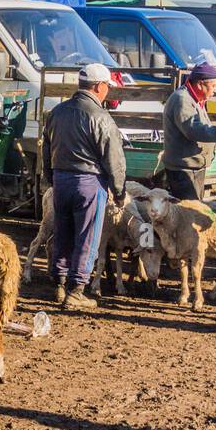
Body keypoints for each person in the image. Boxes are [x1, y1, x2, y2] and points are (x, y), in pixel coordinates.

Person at [40, 63, 126, 310]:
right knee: (86, 237)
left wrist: (51, 177)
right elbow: (114, 160)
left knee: (62, 233)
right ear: (99, 86)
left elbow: (46, 148)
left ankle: (58, 284)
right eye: (107, 86)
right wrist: (119, 192)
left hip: (61, 180)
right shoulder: (101, 118)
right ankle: (76, 291)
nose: (108, 90)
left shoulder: (56, 112)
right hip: (88, 183)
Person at [160, 62, 216, 201]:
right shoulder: (182, 100)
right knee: (189, 214)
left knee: (193, 211)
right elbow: (193, 130)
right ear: (201, 84)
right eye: (213, 86)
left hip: (191, 167)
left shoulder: (194, 100)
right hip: (184, 169)